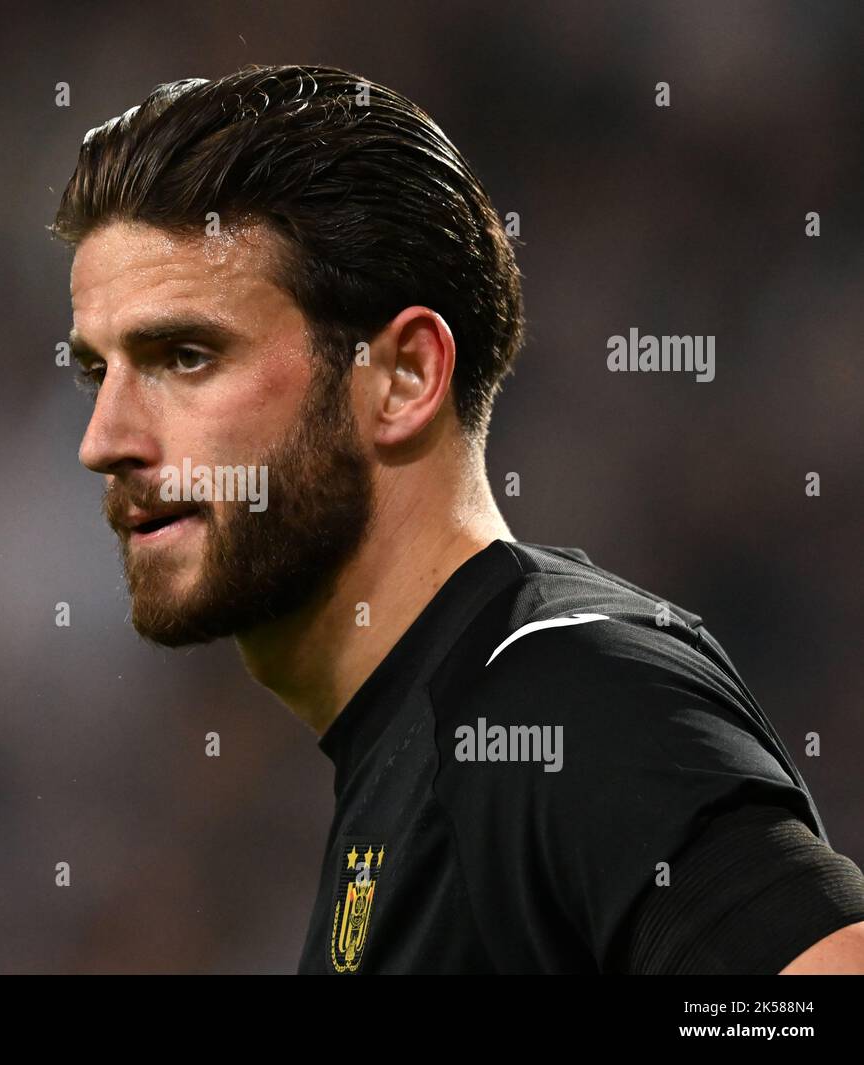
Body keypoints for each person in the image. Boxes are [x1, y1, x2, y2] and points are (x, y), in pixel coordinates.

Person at [50, 63, 864, 973]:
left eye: (186, 355)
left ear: (402, 378)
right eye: (97, 372)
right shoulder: (420, 749)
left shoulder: (562, 694)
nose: (103, 438)